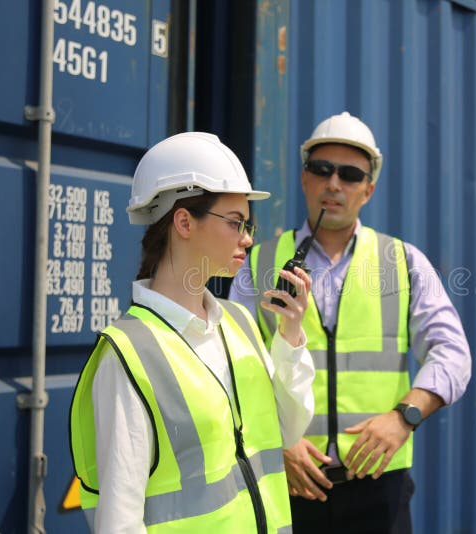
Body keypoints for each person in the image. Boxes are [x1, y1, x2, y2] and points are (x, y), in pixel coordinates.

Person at [229, 112, 472, 532]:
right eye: (322, 170)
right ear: (305, 178)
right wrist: (275, 443)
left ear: (368, 189)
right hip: (289, 482)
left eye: (350, 174)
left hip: (379, 489)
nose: (334, 184)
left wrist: (403, 417)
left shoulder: (403, 262)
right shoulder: (259, 263)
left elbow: (453, 354)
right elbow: (232, 365)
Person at [69, 132, 315, 533]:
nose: (248, 238)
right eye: (236, 223)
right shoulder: (129, 353)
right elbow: (119, 521)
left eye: (248, 224)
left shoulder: (239, 323)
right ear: (184, 221)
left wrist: (289, 336)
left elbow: (289, 430)